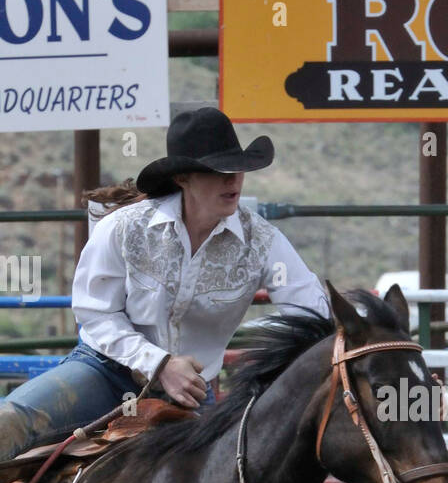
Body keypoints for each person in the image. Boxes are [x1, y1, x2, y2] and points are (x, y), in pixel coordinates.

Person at [0, 107, 330, 461]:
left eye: (237, 169)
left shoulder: (263, 242)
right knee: (9, 421)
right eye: (217, 171)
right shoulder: (125, 228)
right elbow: (96, 314)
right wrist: (161, 364)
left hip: (189, 394)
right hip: (104, 371)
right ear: (183, 179)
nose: (233, 180)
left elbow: (313, 312)